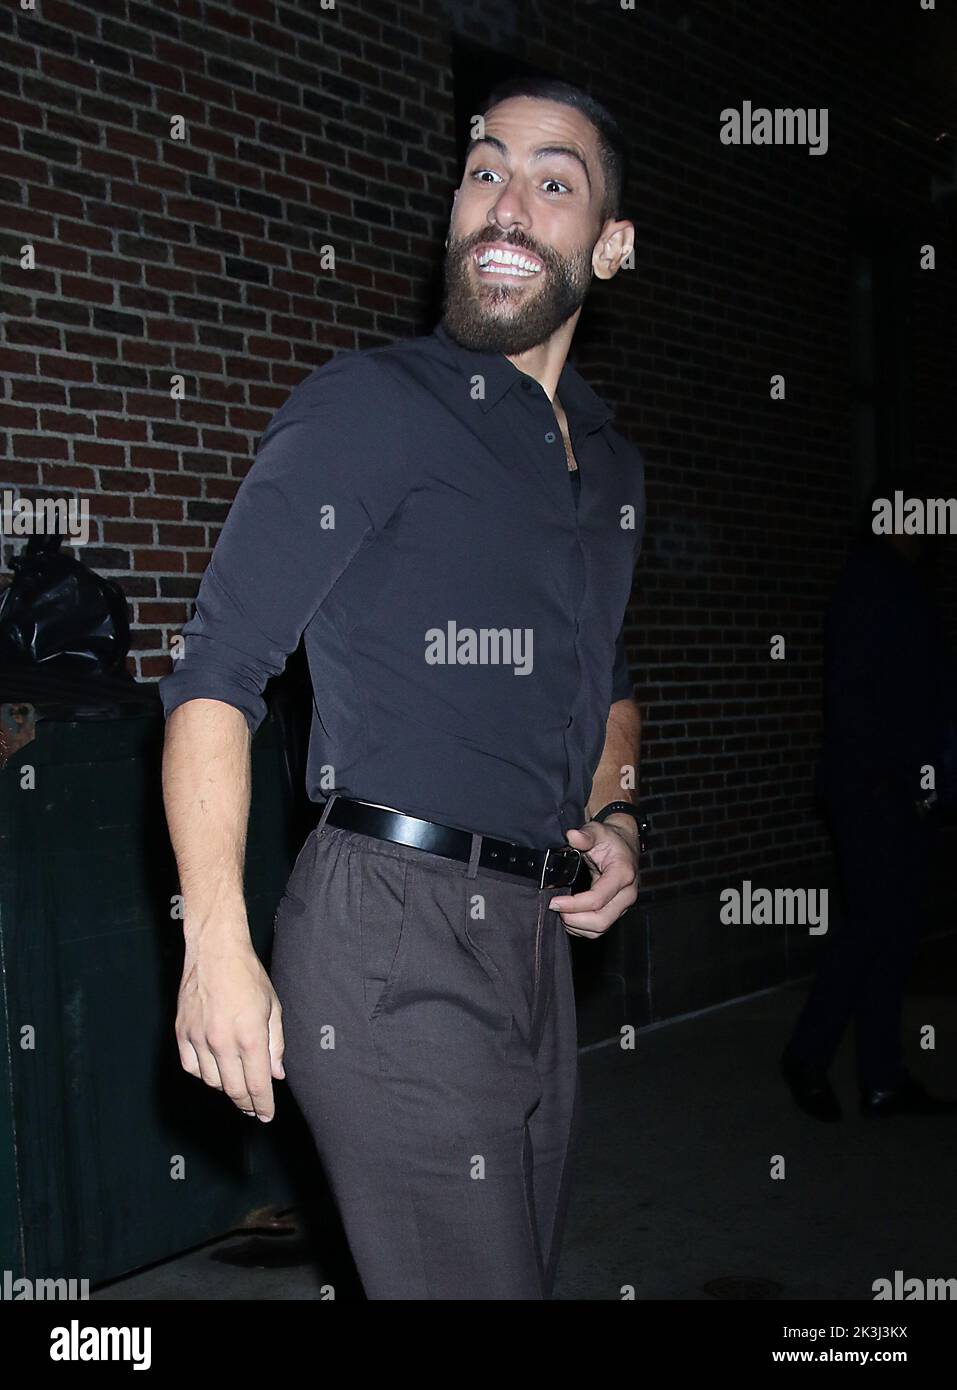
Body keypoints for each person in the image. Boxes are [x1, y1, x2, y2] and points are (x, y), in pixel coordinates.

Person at [159, 76, 648, 1299]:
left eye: (554, 181)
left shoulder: (611, 466)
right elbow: (217, 672)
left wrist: (622, 811)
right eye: (486, 169)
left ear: (612, 243)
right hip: (390, 934)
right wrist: (215, 936)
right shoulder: (372, 406)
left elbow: (612, 685)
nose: (508, 204)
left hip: (534, 946)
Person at [781, 480, 957, 1121]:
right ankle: (807, 1053)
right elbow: (857, 701)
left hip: (901, 791)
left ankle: (883, 1077)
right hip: (873, 792)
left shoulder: (907, 586)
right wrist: (893, 787)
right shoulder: (870, 585)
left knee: (896, 931)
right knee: (873, 926)